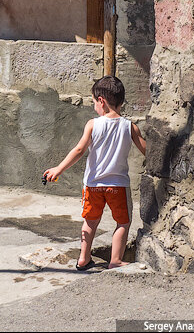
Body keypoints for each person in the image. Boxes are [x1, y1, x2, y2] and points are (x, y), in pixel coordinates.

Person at [43, 75, 146, 271]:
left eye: (93, 103)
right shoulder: (130, 126)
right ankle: (116, 260)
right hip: (118, 186)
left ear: (102, 101)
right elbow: (146, 150)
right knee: (123, 223)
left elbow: (79, 150)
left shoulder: (93, 124)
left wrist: (58, 169)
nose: (94, 108)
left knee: (90, 222)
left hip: (93, 185)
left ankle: (83, 258)